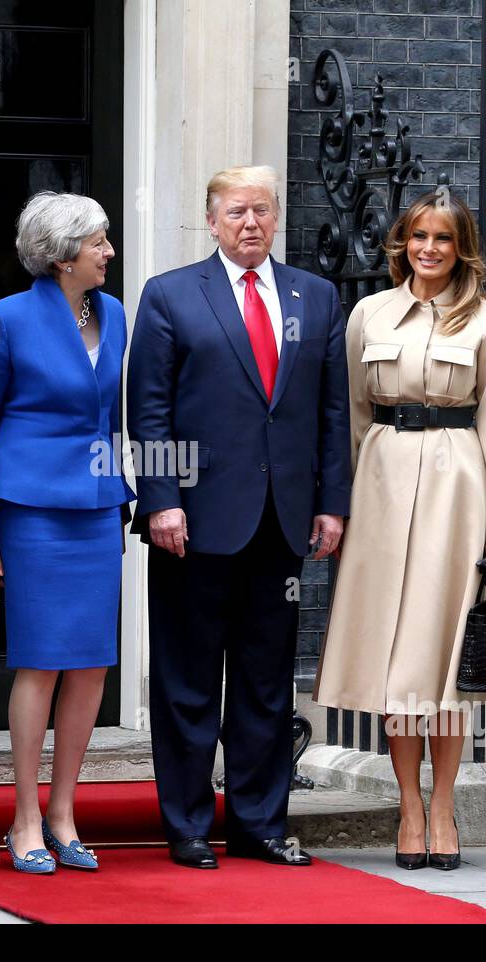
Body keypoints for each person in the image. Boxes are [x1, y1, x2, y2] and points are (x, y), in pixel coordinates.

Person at [127, 166, 351, 869]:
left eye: (260, 211)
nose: (249, 223)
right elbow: (149, 409)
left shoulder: (314, 298)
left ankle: (259, 823)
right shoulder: (169, 296)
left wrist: (332, 503)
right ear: (212, 219)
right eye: (235, 212)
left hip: (281, 523)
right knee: (187, 682)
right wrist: (162, 501)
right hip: (192, 524)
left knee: (264, 682)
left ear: (276, 217)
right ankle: (189, 824)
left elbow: (333, 413)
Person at [313, 189, 486, 872]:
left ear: (460, 248)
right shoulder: (369, 314)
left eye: (441, 239)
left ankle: (443, 807)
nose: (428, 250)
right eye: (417, 237)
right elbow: (349, 413)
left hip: (457, 488)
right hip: (380, 483)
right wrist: (338, 507)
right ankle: (408, 806)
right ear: (401, 242)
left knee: (445, 661)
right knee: (397, 660)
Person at [0, 192, 135, 874]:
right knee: (40, 659)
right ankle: (25, 815)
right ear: (65, 255)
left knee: (92, 660)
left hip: (96, 503)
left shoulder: (116, 313)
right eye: (99, 242)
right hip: (29, 505)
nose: (109, 252)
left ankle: (65, 810)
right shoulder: (5, 320)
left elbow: (116, 414)